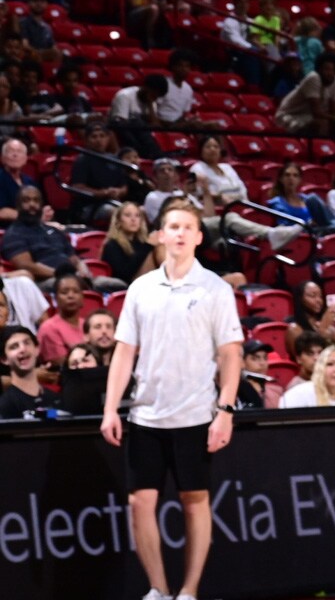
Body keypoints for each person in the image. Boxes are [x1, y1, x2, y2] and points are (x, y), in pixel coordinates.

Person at [101, 195, 242, 600]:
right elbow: (124, 351)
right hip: (145, 415)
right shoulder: (141, 289)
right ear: (160, 235)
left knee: (194, 502)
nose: (178, 233)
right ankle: (158, 589)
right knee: (140, 503)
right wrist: (111, 408)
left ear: (198, 237)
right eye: (172, 227)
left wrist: (225, 411)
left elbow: (230, 353)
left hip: (196, 415)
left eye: (187, 228)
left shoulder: (215, 289)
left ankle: (189, 591)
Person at [2, 182, 89, 286]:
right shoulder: (13, 234)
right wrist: (61, 275)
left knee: (109, 283)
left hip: (71, 278)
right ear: (18, 206)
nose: (32, 204)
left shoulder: (54, 230)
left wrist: (84, 273)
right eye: (26, 200)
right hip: (45, 281)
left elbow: (74, 259)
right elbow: (26, 265)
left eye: (36, 200)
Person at [275, 52, 335, 139]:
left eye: (332, 70)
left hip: (309, 116)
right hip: (290, 116)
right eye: (326, 69)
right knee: (322, 123)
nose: (329, 73)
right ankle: (321, 151)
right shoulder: (313, 78)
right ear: (319, 69)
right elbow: (317, 113)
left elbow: (334, 111)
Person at [0, 325, 58, 417]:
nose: (23, 349)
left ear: (37, 349)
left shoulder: (56, 399)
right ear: (4, 359)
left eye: (27, 343)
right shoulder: (4, 405)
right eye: (14, 347)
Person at [36, 267, 89, 366]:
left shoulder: (87, 324)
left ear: (82, 298)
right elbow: (61, 364)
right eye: (64, 292)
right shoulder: (49, 328)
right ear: (56, 299)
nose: (70, 296)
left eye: (76, 292)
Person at [278, 332, 327, 406]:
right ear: (298, 359)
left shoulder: (331, 383)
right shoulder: (294, 388)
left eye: (320, 353)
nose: (316, 358)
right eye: (310, 353)